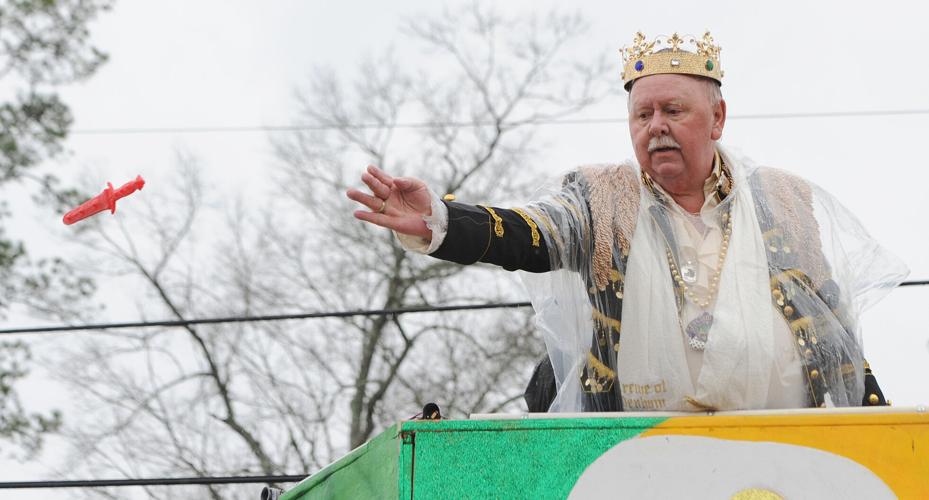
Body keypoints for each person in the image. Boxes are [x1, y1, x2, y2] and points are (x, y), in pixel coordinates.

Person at [346, 31, 908, 413]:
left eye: (673, 111)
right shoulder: (602, 197)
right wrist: (442, 221)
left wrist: (881, 432)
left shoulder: (783, 198)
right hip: (631, 459)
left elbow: (831, 330)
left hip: (776, 459)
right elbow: (529, 232)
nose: (655, 127)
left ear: (717, 118)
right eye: (642, 115)